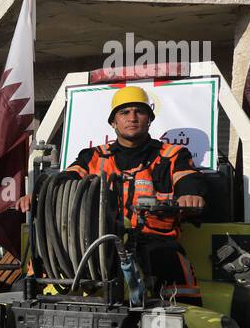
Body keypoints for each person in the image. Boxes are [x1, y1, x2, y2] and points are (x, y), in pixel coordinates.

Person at [17, 86, 205, 302]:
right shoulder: (94, 156)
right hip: (96, 241)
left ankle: (183, 321)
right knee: (44, 256)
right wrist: (39, 196)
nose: (132, 118)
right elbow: (65, 181)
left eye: (139, 112)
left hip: (154, 241)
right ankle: (32, 303)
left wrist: (191, 195)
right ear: (113, 122)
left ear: (149, 120)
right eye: (124, 112)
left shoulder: (173, 155)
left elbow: (189, 179)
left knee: (171, 262)